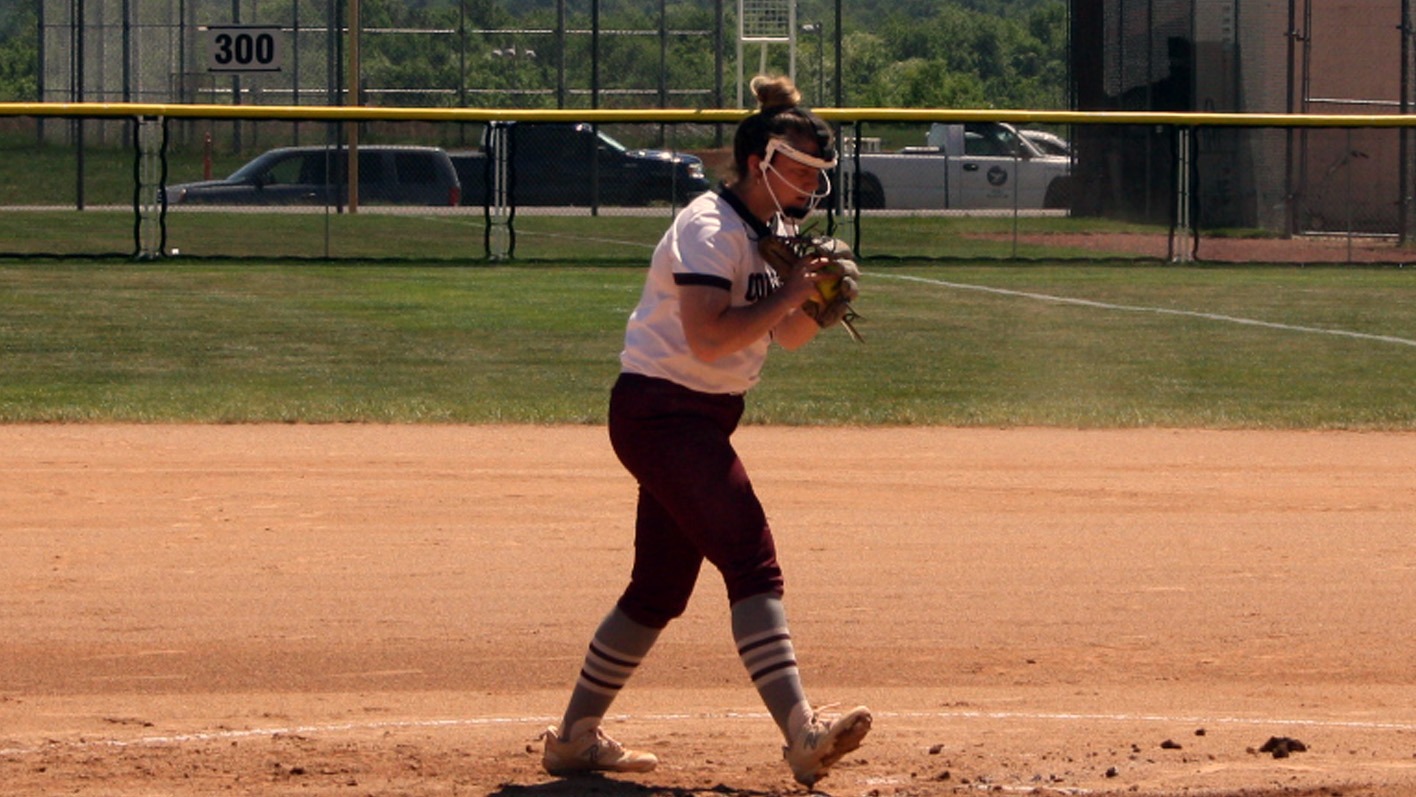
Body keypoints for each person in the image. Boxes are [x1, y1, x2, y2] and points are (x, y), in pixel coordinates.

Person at [539, 74, 871, 788]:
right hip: (662, 412)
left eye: (820, 169)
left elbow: (782, 339)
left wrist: (822, 308)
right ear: (760, 160)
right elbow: (709, 338)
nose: (814, 181)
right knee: (752, 562)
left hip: (698, 417)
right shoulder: (709, 226)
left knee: (658, 589)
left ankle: (572, 738)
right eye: (802, 166)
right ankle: (802, 732)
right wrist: (790, 290)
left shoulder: (773, 231)